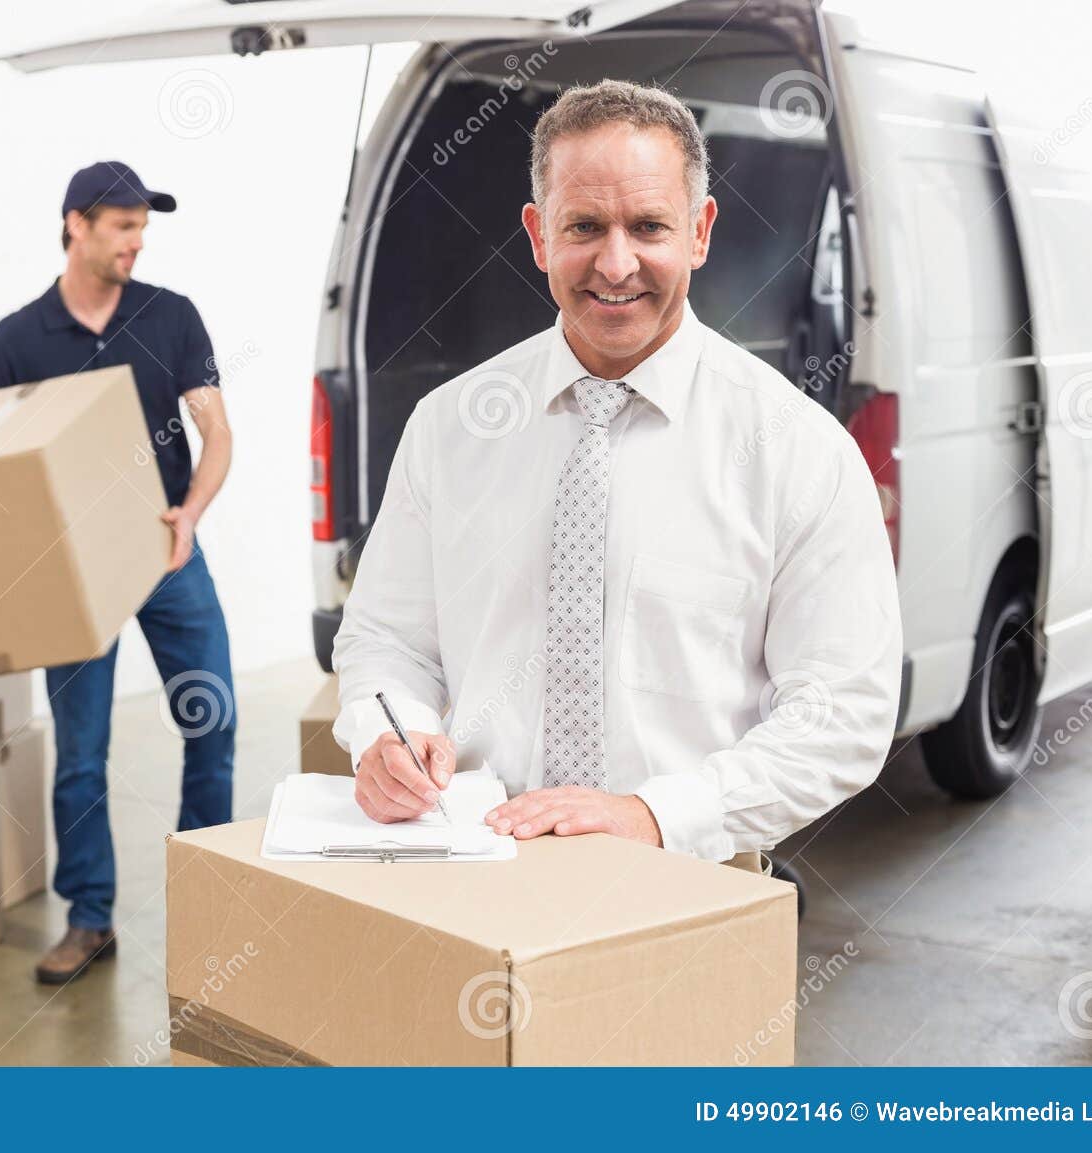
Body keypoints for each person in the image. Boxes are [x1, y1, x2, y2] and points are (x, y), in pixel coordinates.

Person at [333, 81, 901, 868]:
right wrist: (386, 732)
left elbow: (844, 711)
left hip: (690, 890)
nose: (617, 262)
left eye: (649, 226)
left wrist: (652, 815)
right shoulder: (449, 427)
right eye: (585, 226)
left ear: (699, 232)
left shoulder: (797, 448)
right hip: (478, 871)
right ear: (538, 235)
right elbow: (387, 637)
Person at [0, 160, 235, 983]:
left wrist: (188, 512)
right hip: (74, 568)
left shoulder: (171, 315)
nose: (137, 239)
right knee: (82, 751)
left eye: (143, 224)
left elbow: (217, 432)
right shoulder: (21, 336)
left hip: (164, 549)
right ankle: (90, 918)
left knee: (213, 721)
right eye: (123, 224)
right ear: (75, 225)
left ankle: (210, 896)